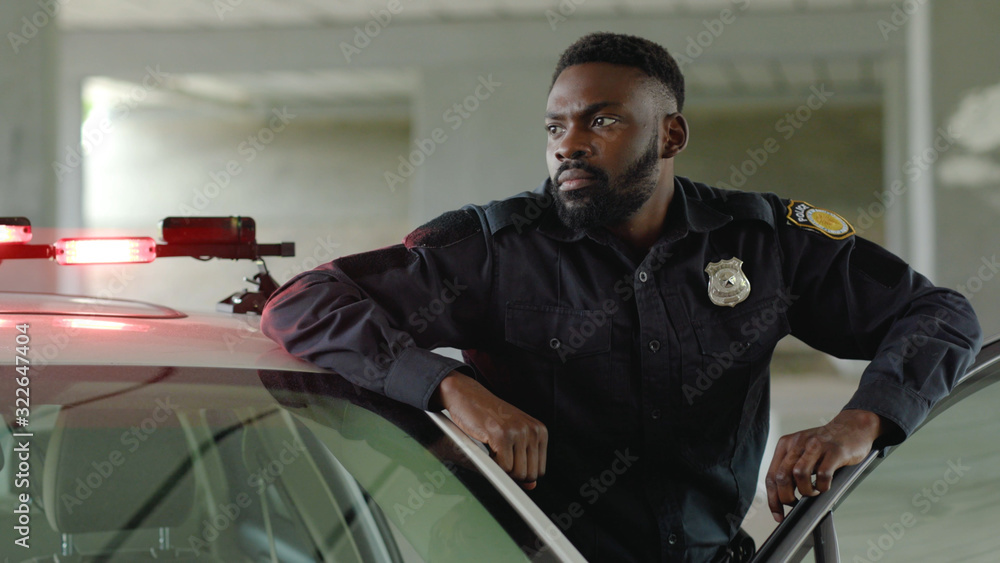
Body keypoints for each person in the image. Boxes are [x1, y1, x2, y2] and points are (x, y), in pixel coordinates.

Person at [261, 32, 982, 563]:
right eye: (555, 126)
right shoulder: (494, 250)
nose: (568, 144)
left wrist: (857, 423)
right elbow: (303, 301)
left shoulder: (765, 244)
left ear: (670, 134)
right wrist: (449, 387)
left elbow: (940, 316)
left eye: (601, 121)